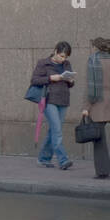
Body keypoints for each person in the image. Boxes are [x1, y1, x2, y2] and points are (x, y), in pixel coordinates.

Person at [80, 38, 110, 180]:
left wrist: (86, 107)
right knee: (100, 137)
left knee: (99, 140)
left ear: (95, 48)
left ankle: (104, 172)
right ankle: (105, 171)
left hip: (97, 103)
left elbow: (90, 88)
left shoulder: (93, 61)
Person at [31, 41, 76, 170]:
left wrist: (71, 81)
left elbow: (70, 84)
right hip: (49, 100)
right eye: (61, 56)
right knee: (57, 130)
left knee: (53, 131)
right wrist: (51, 78)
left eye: (66, 57)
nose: (63, 59)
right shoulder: (43, 63)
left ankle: (43, 158)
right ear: (55, 51)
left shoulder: (67, 64)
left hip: (63, 100)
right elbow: (34, 80)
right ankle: (63, 160)